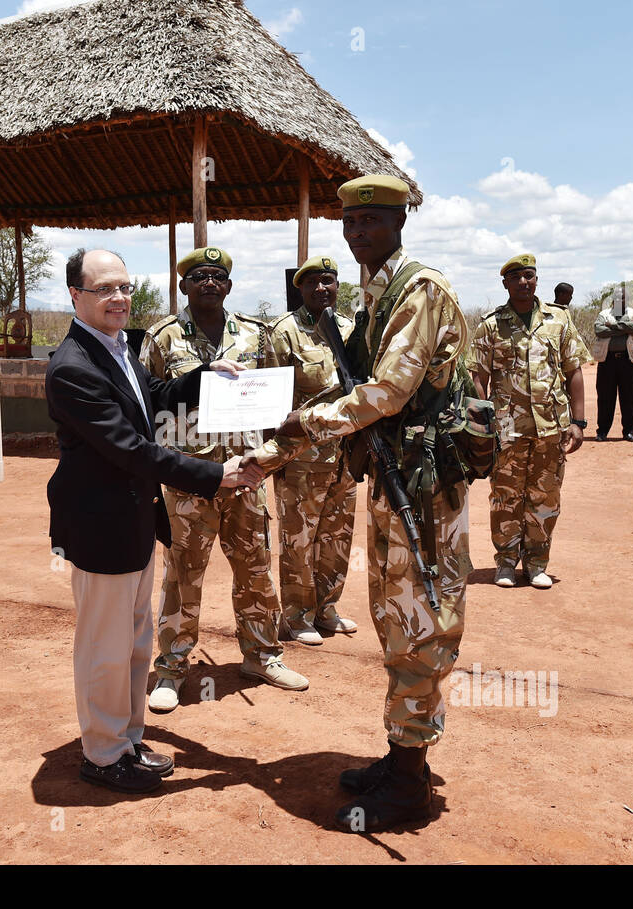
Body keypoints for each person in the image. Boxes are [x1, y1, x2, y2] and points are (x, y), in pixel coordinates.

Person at [254, 175, 472, 833]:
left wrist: (298, 428)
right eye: (351, 224)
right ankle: (401, 755)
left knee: (419, 622)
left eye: (373, 223)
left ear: (401, 223)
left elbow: (388, 391)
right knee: (393, 614)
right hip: (396, 477)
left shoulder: (419, 291)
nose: (360, 235)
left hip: (425, 492)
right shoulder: (376, 295)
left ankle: (408, 784)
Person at [46, 248, 260, 794]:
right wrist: (216, 476)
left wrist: (204, 376)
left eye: (124, 287)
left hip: (135, 522)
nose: (118, 298)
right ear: (75, 295)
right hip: (101, 529)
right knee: (104, 648)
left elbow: (153, 398)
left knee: (137, 642)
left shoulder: (118, 347)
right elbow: (132, 449)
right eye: (103, 290)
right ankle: (102, 754)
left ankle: (126, 739)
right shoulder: (74, 366)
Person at [141, 246, 309, 715]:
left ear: (230, 287)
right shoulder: (161, 338)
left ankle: (262, 656)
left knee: (255, 571)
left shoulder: (256, 336)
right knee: (182, 575)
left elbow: (280, 399)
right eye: (199, 277)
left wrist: (271, 459)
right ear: (184, 287)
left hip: (247, 476)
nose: (209, 283)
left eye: (218, 277)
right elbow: (147, 404)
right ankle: (172, 668)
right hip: (189, 481)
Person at [469, 254, 590, 589]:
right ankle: (506, 562)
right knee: (506, 495)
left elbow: (574, 371)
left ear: (536, 279)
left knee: (545, 496)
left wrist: (578, 421)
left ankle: (537, 563)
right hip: (506, 427)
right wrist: (482, 429)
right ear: (505, 284)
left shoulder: (559, 321)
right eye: (516, 277)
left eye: (529, 275)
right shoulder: (491, 325)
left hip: (551, 426)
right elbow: (479, 377)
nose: (524, 282)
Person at [259, 255, 358, 646]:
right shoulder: (284, 332)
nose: (321, 288)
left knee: (337, 536)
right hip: (302, 456)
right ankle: (297, 615)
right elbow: (272, 401)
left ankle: (326, 608)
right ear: (299, 289)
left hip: (347, 454)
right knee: (298, 540)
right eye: (312, 282)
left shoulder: (351, 329)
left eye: (328, 280)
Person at [592, 284, 633, 441]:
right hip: (607, 361)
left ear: (626, 299)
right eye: (616, 297)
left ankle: (629, 431)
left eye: (622, 297)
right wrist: (624, 329)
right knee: (605, 397)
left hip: (628, 361)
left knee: (629, 397)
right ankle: (602, 431)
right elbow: (599, 330)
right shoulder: (604, 314)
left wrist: (613, 326)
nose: (619, 299)